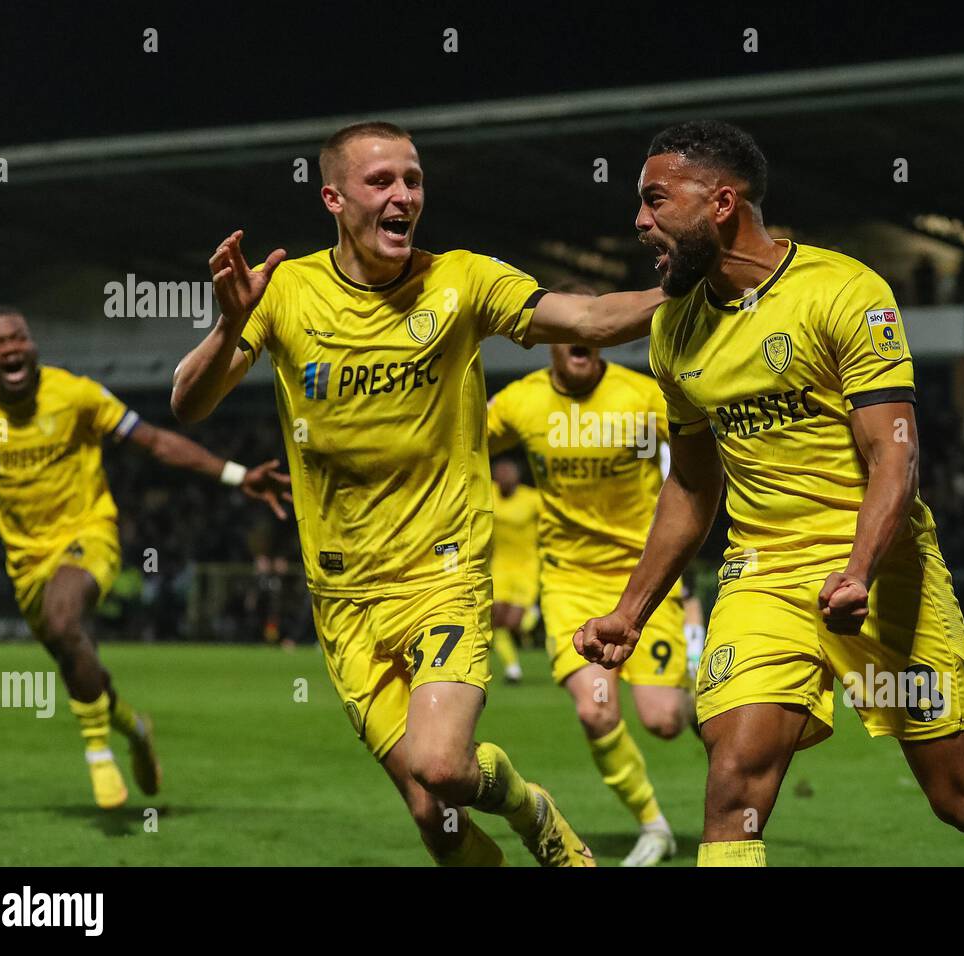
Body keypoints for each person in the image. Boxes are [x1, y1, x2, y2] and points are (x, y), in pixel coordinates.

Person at [576, 120, 964, 866]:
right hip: (762, 575)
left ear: (721, 203)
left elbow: (893, 455)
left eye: (654, 201)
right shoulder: (674, 330)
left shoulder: (842, 291)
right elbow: (692, 485)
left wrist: (862, 569)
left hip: (884, 573)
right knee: (734, 780)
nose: (640, 222)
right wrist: (630, 609)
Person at [171, 120, 662, 866]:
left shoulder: (462, 280)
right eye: (382, 182)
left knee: (442, 766)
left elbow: (588, 317)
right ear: (333, 197)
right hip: (343, 598)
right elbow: (188, 403)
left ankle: (534, 812)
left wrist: (688, 287)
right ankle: (518, 813)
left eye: (414, 180)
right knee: (437, 817)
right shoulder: (288, 292)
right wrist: (229, 324)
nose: (403, 196)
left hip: (443, 571)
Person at [0, 307, 290, 809]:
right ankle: (133, 726)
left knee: (65, 622)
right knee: (76, 658)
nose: (10, 348)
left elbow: (153, 442)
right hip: (25, 564)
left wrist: (237, 475)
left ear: (33, 344)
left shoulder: (78, 395)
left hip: (89, 535)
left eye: (18, 337)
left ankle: (96, 752)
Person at [488, 337, 695, 866]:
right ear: (550, 345)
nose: (581, 340)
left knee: (664, 722)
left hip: (643, 578)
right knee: (596, 710)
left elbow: (703, 448)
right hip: (569, 581)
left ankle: (696, 698)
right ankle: (654, 826)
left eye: (593, 331)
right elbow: (454, 440)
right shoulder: (519, 402)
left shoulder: (644, 396)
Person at [490, 456, 539, 683]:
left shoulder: (531, 499)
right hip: (499, 566)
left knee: (513, 623)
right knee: (496, 619)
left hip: (527, 567)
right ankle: (512, 668)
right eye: (499, 475)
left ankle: (532, 616)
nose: (503, 479)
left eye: (508, 474)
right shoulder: (488, 494)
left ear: (517, 478)